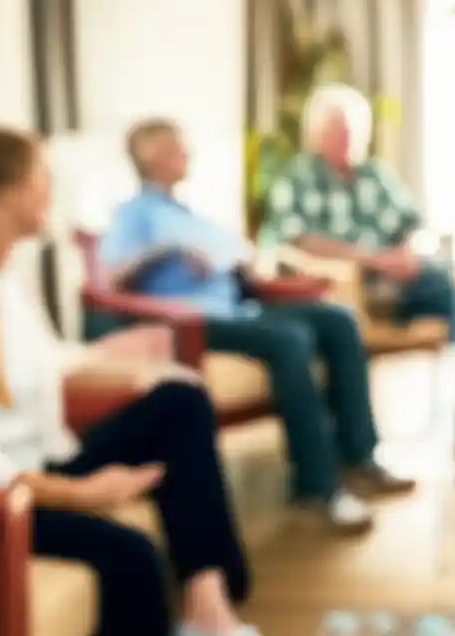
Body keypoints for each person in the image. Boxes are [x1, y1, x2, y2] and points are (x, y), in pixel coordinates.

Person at [0, 127, 260, 636]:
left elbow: (48, 361)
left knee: (180, 400)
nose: (50, 190)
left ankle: (208, 609)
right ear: (9, 190)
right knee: (131, 558)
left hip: (30, 465)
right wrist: (75, 493)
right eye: (42, 176)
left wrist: (144, 373)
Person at [99, 118, 415, 534]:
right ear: (149, 156)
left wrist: (246, 261)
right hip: (188, 319)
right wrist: (167, 251)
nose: (188, 154)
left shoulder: (188, 211)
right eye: (178, 148)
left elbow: (236, 258)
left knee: (338, 320)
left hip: (239, 306)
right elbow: (112, 277)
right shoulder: (135, 214)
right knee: (290, 340)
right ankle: (318, 488)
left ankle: (360, 456)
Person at [259, 82, 455, 345]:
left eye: (353, 131)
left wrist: (407, 251)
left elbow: (414, 223)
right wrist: (374, 259)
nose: (348, 139)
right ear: (316, 135)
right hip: (346, 283)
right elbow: (297, 239)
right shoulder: (297, 177)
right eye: (339, 132)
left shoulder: (376, 174)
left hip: (394, 283)